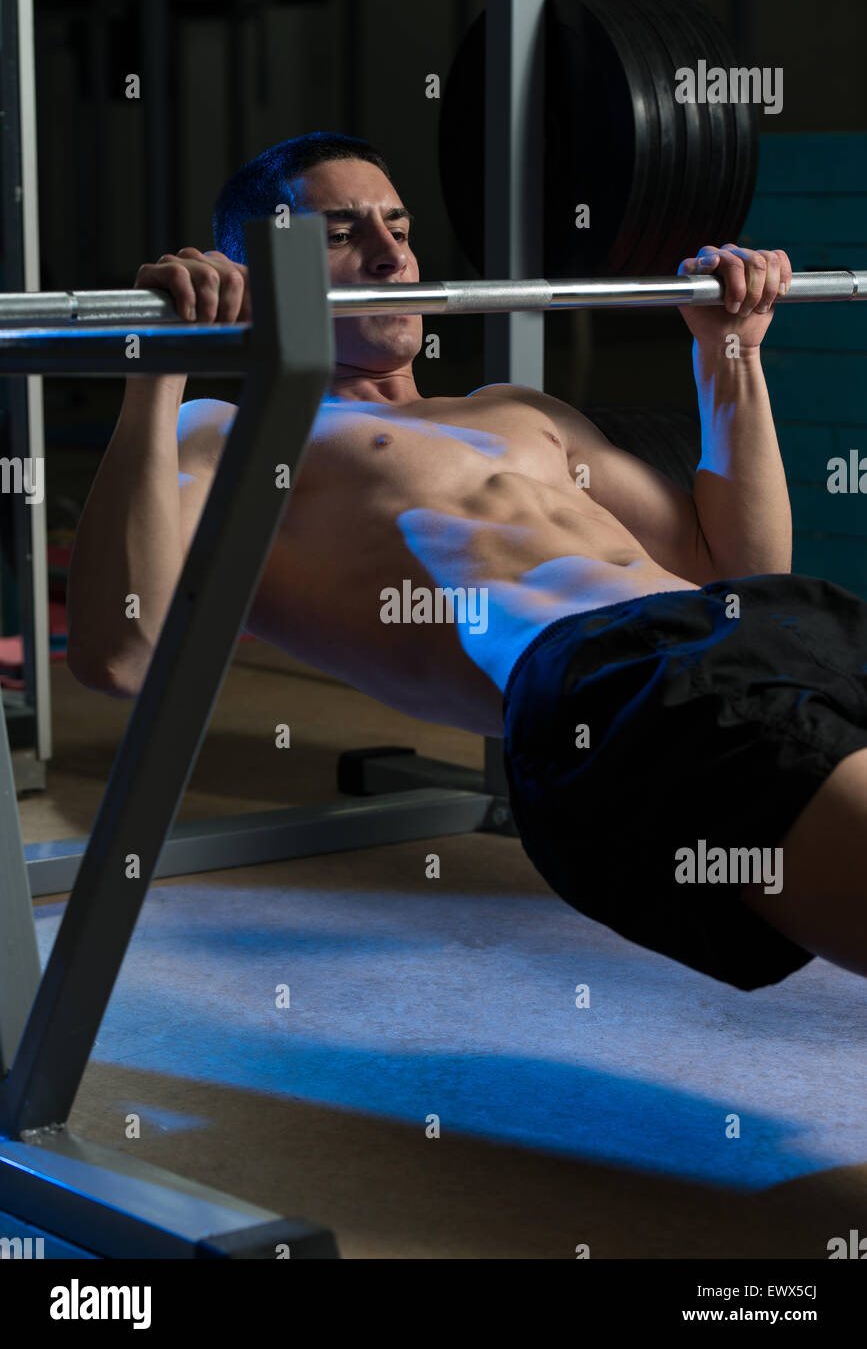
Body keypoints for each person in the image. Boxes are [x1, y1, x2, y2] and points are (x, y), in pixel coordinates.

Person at [67, 132, 867, 992]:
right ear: (255, 282)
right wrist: (156, 371)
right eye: (340, 234)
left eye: (400, 228)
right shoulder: (236, 433)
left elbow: (740, 575)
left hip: (775, 633)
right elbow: (123, 655)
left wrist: (729, 346)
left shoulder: (517, 409)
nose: (390, 255)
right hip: (621, 688)